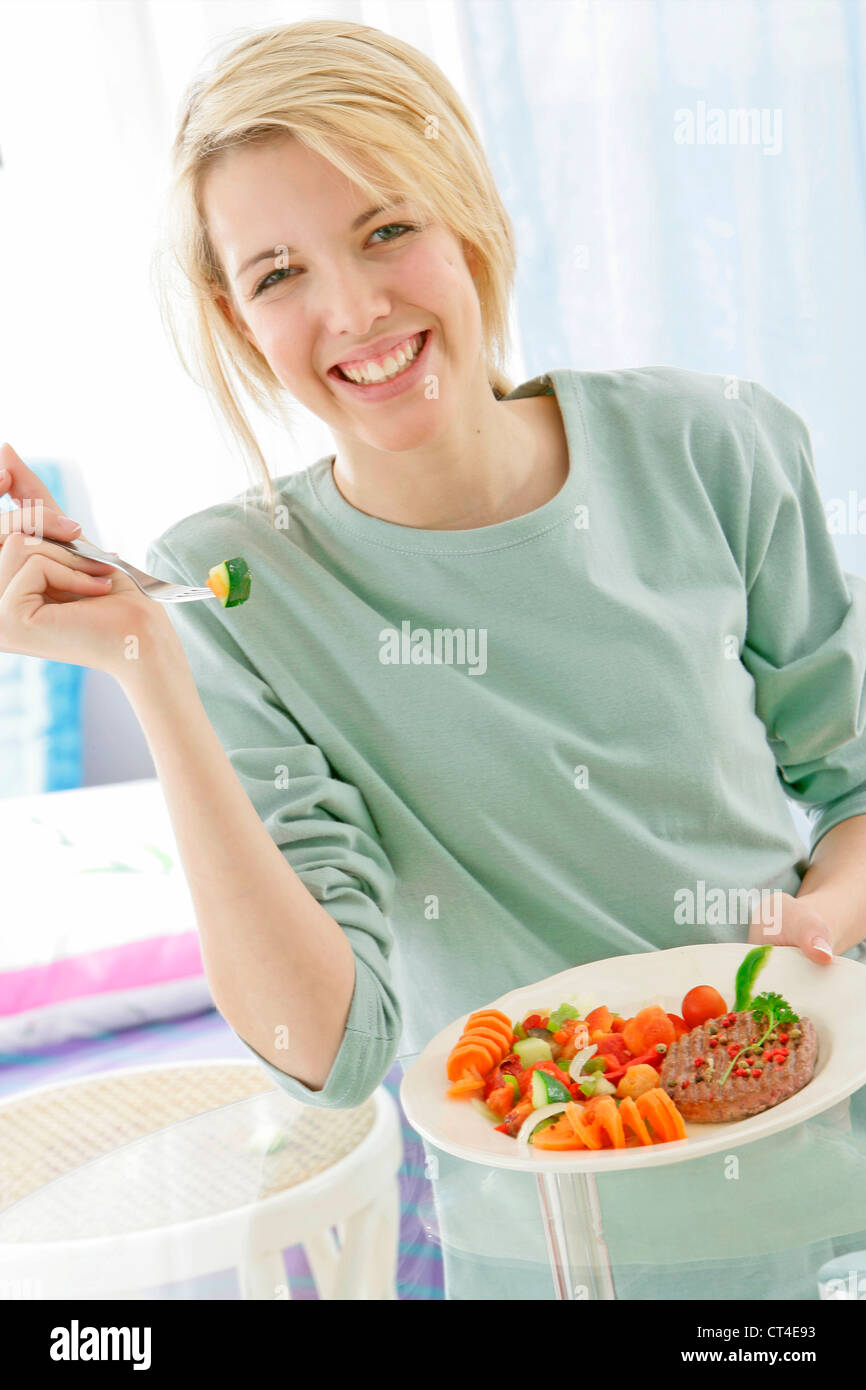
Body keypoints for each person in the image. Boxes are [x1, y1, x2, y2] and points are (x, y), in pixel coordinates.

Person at [2, 18, 866, 1301]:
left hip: (823, 1178)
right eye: (278, 271)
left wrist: (812, 930)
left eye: (386, 229)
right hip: (547, 1257)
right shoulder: (232, 584)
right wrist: (144, 660)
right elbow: (326, 1051)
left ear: (469, 220)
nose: (352, 310)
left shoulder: (712, 446)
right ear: (239, 323)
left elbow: (850, 793)